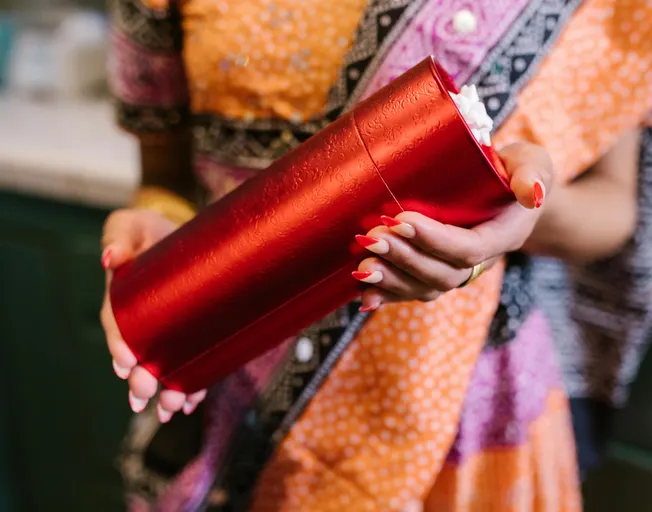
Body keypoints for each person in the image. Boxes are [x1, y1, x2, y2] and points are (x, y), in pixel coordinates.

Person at [101, 0, 652, 510]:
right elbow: (164, 177)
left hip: (465, 404)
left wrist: (510, 201)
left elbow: (612, 209)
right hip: (234, 363)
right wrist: (157, 239)